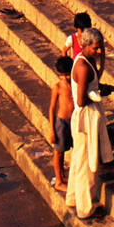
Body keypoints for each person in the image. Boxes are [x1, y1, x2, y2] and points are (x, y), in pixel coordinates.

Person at [66, 28, 113, 220]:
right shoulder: (83, 67)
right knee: (85, 164)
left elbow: (97, 78)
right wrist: (95, 96)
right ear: (85, 46)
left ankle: (72, 198)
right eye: (96, 48)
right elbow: (80, 100)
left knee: (78, 160)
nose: (99, 52)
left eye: (101, 48)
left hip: (84, 117)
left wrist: (101, 61)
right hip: (85, 117)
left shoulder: (88, 61)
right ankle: (85, 208)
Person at [48, 55, 74, 194]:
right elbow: (52, 108)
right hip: (61, 122)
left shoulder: (75, 84)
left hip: (73, 121)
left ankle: (63, 176)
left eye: (68, 75)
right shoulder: (58, 87)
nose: (66, 78)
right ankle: (58, 181)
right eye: (62, 76)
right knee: (58, 152)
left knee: (65, 150)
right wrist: (52, 130)